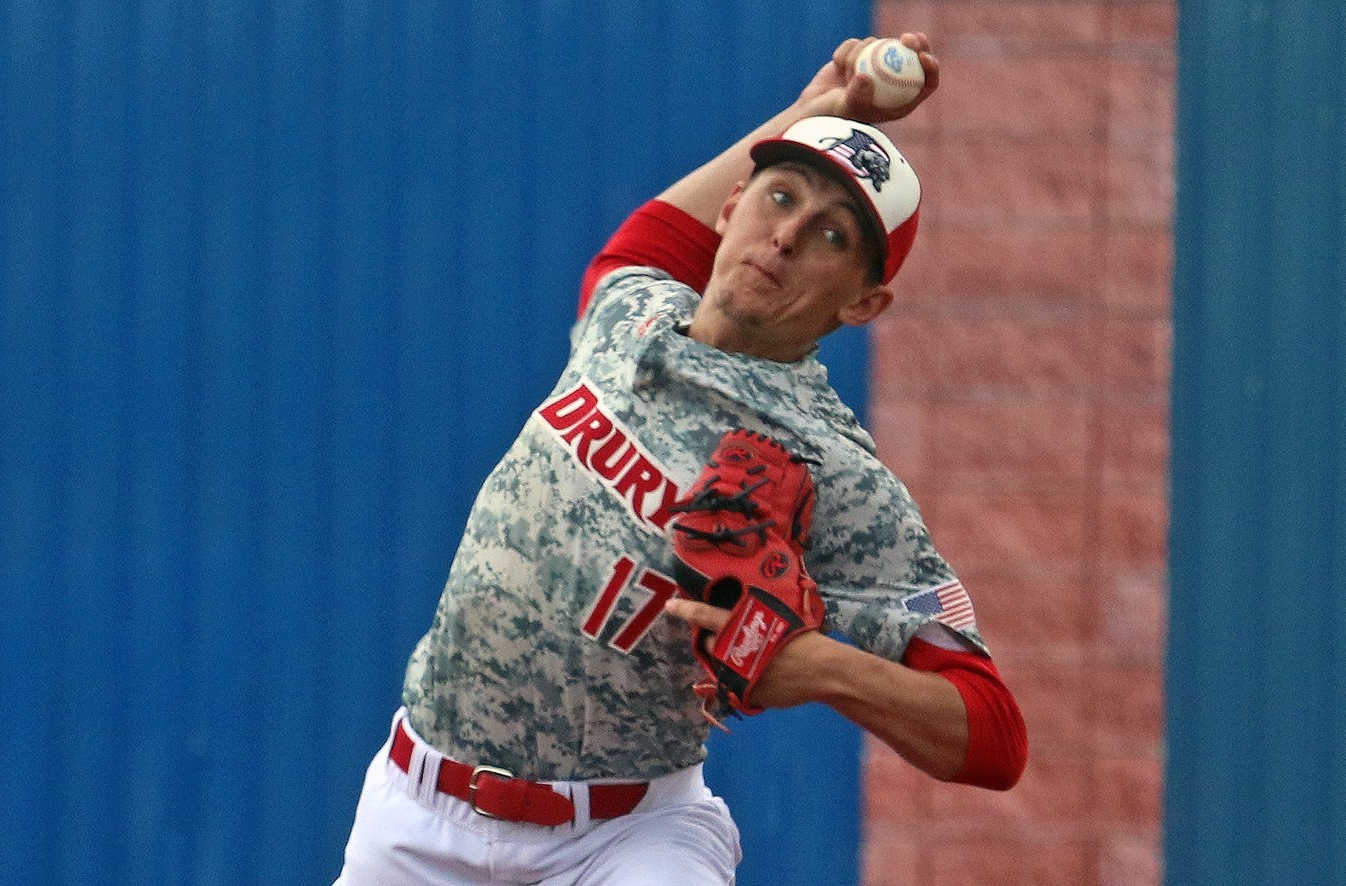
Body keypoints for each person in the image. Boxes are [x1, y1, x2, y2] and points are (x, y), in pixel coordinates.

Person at [333, 32, 1026, 885]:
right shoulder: (632, 308)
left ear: (864, 303)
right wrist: (814, 110)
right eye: (778, 198)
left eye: (832, 236)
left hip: (623, 838)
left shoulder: (834, 468)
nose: (786, 235)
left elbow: (994, 735)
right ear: (731, 208)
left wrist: (823, 667)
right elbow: (641, 243)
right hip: (415, 814)